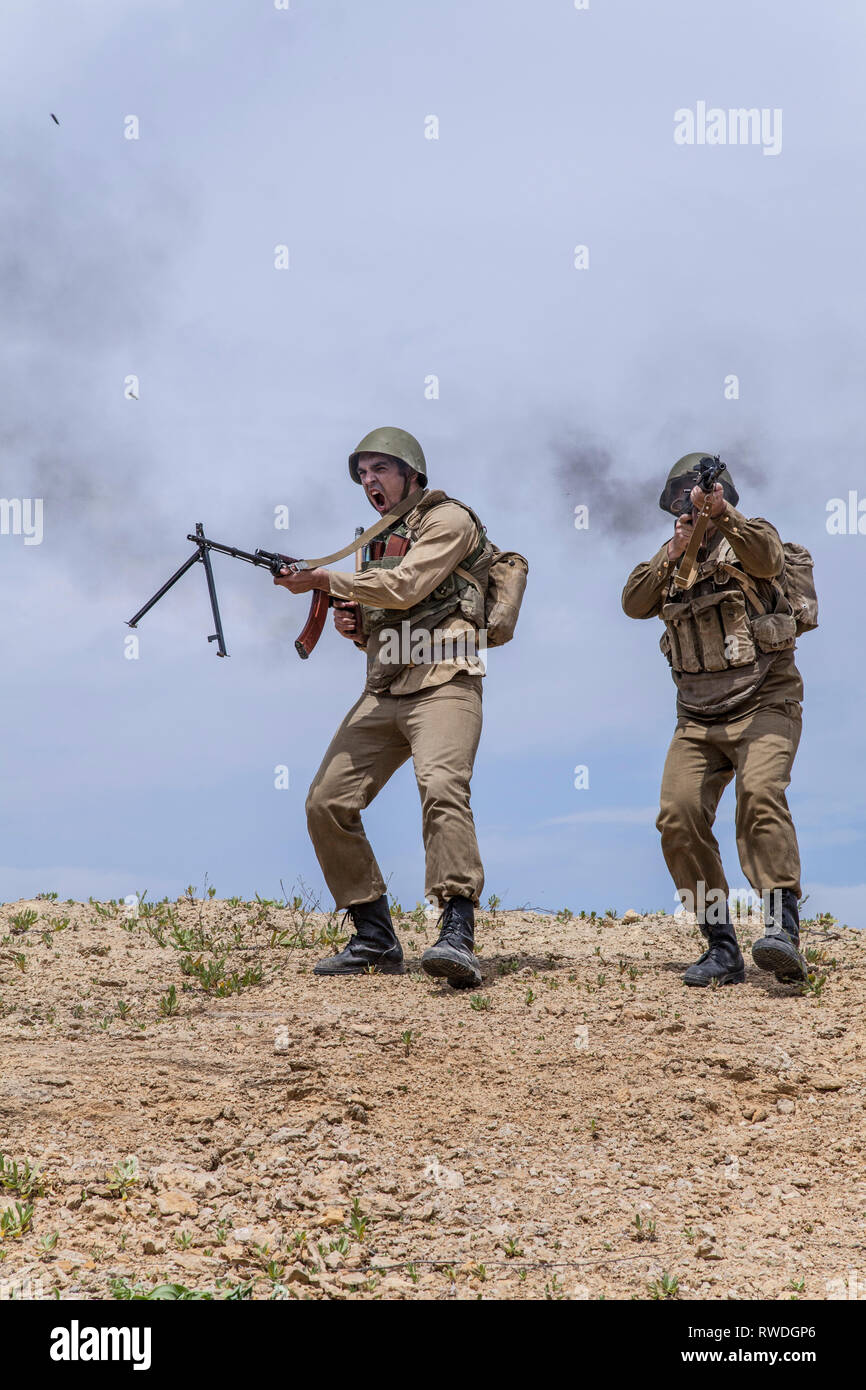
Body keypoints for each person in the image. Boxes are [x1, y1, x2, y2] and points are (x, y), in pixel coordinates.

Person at [275, 426, 494, 989]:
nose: (369, 481)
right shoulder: (373, 539)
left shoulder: (449, 521)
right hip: (385, 688)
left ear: (411, 472)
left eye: (380, 469)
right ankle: (373, 936)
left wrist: (321, 576)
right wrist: (353, 626)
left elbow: (406, 587)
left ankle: (456, 931)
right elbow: (383, 612)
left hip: (445, 680)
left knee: (442, 789)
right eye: (363, 473)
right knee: (326, 801)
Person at [621, 453, 808, 988]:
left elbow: (768, 559)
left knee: (761, 796)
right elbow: (634, 603)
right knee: (677, 816)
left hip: (766, 700)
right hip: (698, 716)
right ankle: (721, 944)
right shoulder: (671, 559)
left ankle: (781, 929)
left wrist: (722, 517)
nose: (692, 503)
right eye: (683, 498)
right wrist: (675, 552)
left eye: (701, 493)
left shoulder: (750, 536)